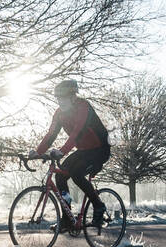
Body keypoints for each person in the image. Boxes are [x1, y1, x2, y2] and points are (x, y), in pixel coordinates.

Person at [28, 80, 110, 228]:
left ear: (73, 96)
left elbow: (77, 132)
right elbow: (51, 134)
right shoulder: (59, 114)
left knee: (76, 173)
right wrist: (37, 152)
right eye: (58, 98)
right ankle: (67, 219)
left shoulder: (83, 107)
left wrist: (62, 151)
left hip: (100, 149)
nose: (60, 101)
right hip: (84, 151)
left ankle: (99, 206)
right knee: (61, 175)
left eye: (63, 97)